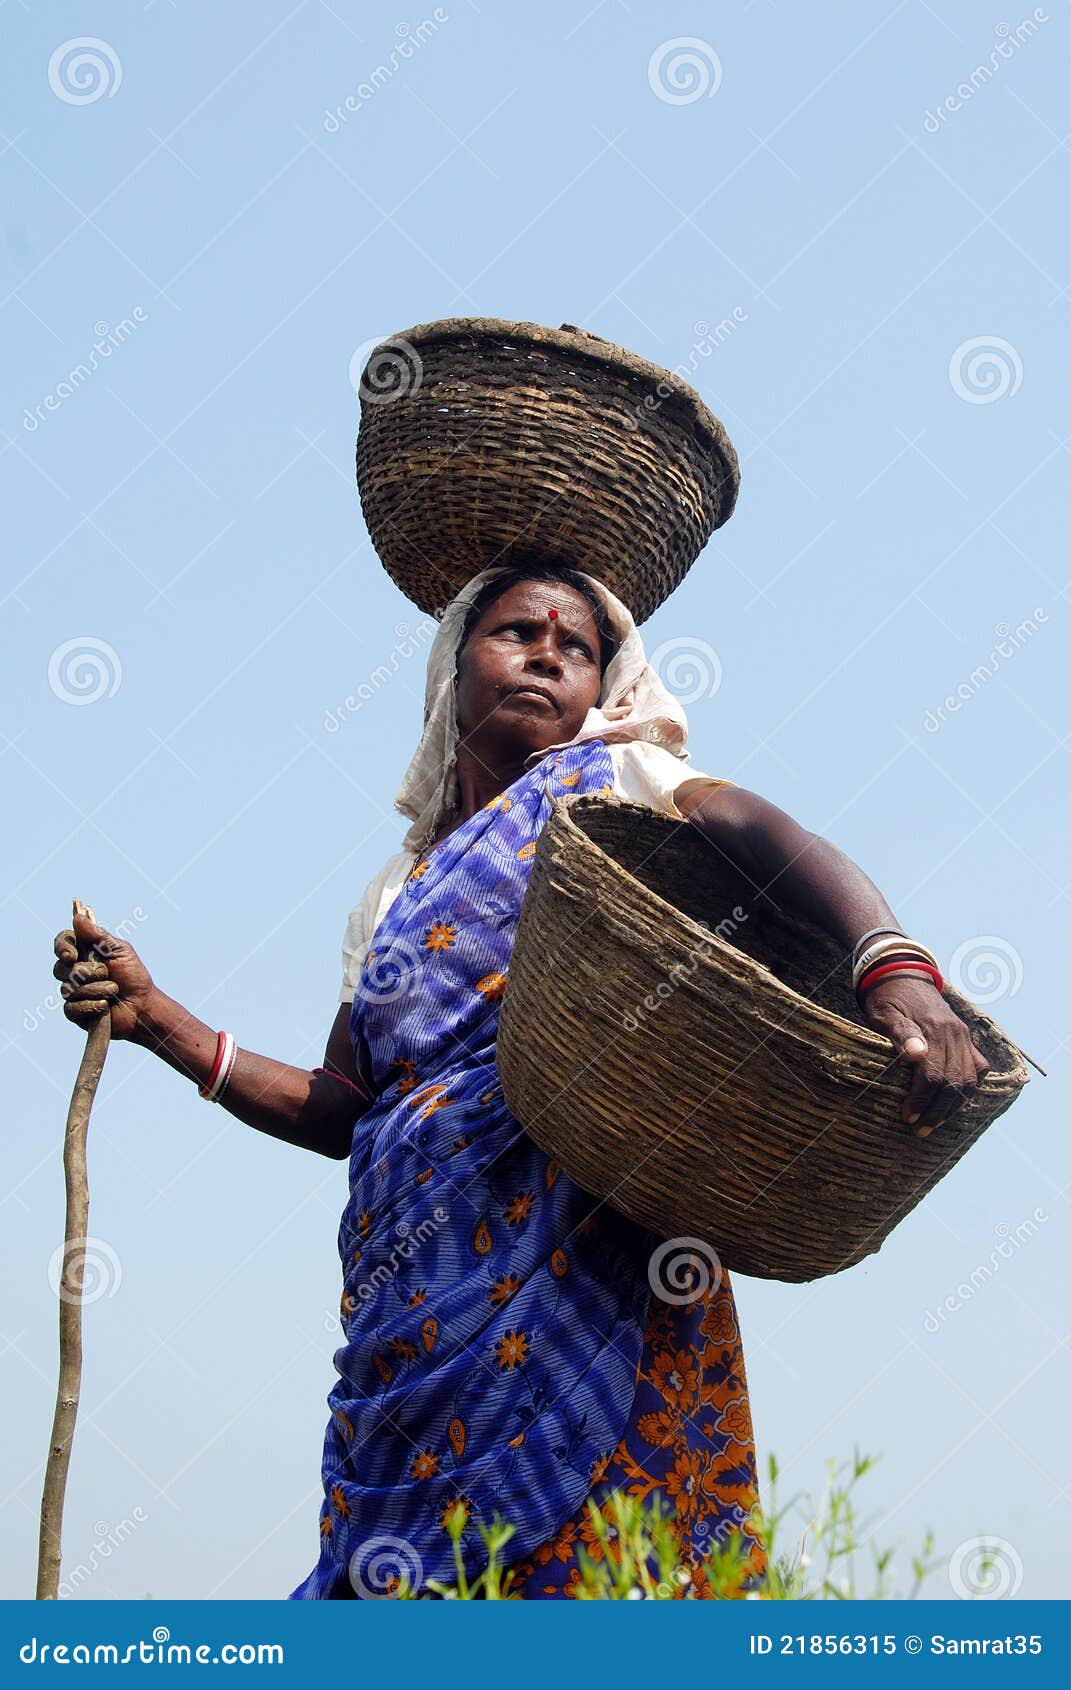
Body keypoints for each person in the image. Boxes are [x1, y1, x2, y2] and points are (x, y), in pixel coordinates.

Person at [53, 562, 988, 1600]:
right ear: (454, 675)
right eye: (516, 632)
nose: (547, 652)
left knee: (602, 1572)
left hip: (583, 1261)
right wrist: (161, 1021)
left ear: (605, 686)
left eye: (576, 645)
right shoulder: (394, 891)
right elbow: (349, 1105)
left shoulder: (613, 785)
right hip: (418, 1292)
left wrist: (893, 964)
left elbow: (762, 831)